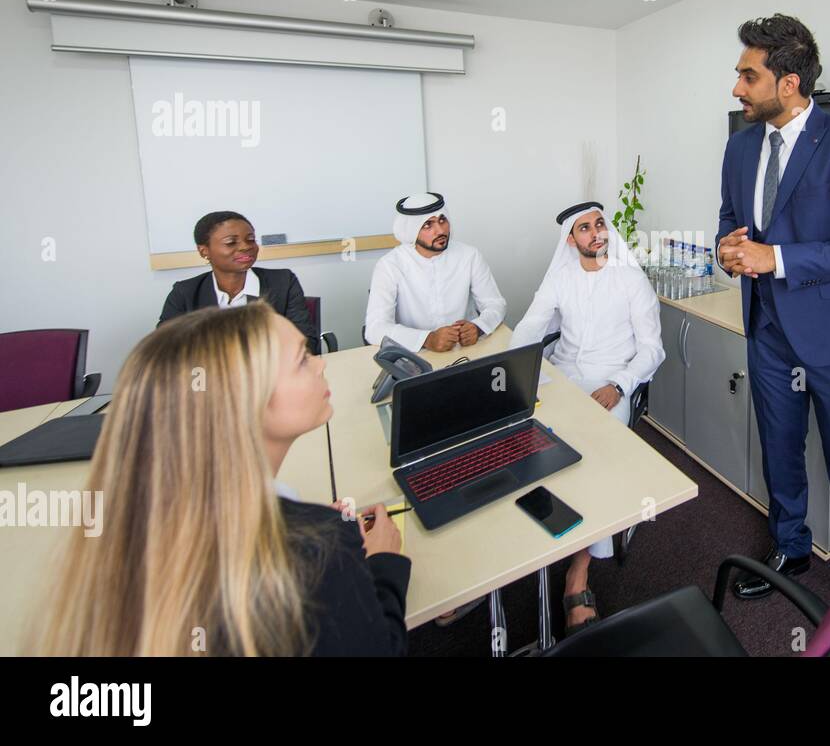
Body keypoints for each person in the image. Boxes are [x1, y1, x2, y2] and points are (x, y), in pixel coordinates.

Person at [31, 302, 410, 656]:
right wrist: (381, 562)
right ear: (244, 400)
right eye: (301, 360)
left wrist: (297, 523)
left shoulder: (131, 527)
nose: (320, 366)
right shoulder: (319, 551)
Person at [717, 14, 830, 656]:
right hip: (768, 327)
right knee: (780, 447)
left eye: (749, 75)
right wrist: (730, 248)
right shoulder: (740, 147)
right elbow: (731, 220)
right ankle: (792, 549)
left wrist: (781, 259)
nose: (736, 87)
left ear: (789, 82)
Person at [511, 201, 664, 632]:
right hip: (563, 375)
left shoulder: (631, 280)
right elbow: (530, 327)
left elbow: (653, 348)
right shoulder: (560, 278)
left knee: (591, 461)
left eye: (600, 225)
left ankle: (577, 573)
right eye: (585, 229)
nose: (596, 234)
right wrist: (511, 370)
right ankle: (533, 541)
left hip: (611, 384)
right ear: (570, 240)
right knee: (523, 437)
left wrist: (619, 385)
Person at [364, 192, 506, 352]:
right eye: (428, 225)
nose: (440, 230)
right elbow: (374, 328)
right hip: (415, 356)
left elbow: (495, 304)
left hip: (467, 351)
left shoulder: (469, 255)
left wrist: (478, 327)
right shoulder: (389, 265)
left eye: (442, 220)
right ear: (412, 230)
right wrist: (426, 339)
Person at [158, 210, 315, 349]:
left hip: (272, 377)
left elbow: (306, 342)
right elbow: (166, 349)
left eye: (251, 239)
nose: (245, 247)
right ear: (204, 251)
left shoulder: (283, 282)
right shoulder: (185, 293)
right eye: (231, 242)